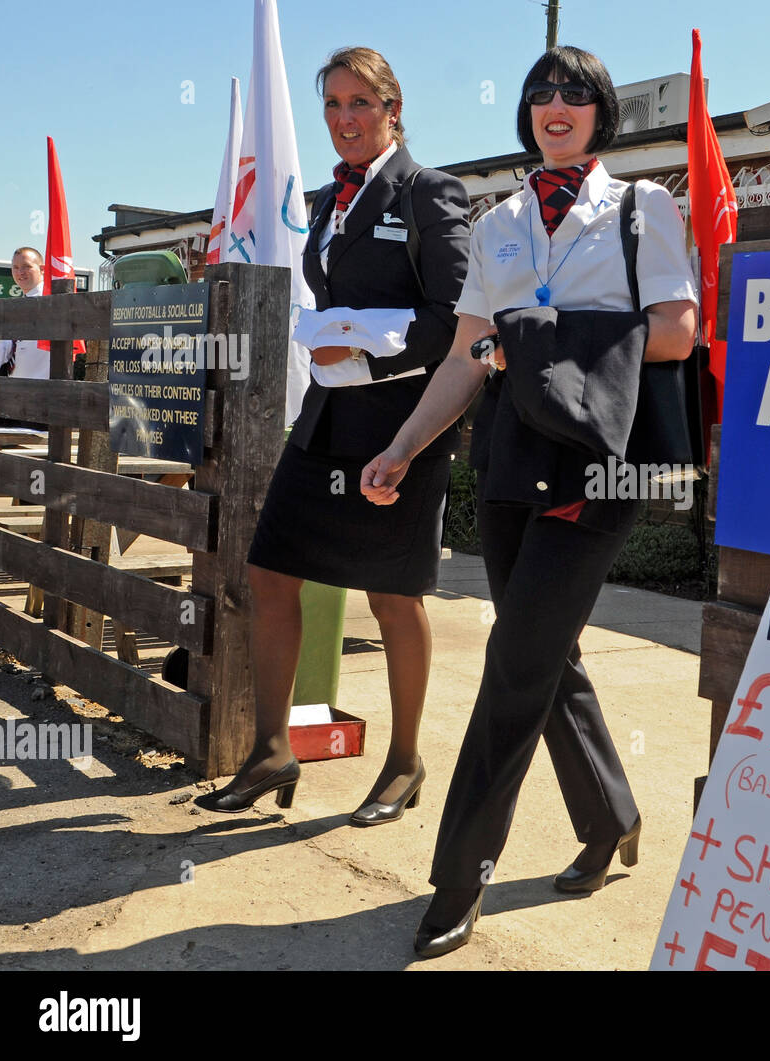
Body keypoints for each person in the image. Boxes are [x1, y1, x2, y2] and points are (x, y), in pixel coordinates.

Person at [361, 45, 697, 958]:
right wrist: (400, 446)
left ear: (600, 113)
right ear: (527, 113)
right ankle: (612, 816)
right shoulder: (500, 218)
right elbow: (470, 349)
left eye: (576, 94)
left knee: (513, 667)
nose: (557, 105)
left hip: (598, 462)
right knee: (546, 655)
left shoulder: (642, 207)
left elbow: (677, 332)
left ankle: (456, 877)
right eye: (542, 93)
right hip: (510, 458)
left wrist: (541, 338)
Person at [196, 47, 471, 825]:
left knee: (392, 597)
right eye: (333, 105)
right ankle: (272, 748)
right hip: (323, 419)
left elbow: (457, 322)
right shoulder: (323, 203)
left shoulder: (429, 193)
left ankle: (404, 760)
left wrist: (362, 340)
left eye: (360, 103)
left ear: (393, 107)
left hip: (403, 427)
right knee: (270, 574)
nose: (345, 119)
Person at [0, 248, 48, 380]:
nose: (20, 272)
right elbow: (2, 355)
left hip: (44, 389)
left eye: (26, 266)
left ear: (42, 269)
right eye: (15, 267)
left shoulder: (51, 303)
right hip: (14, 387)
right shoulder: (14, 307)